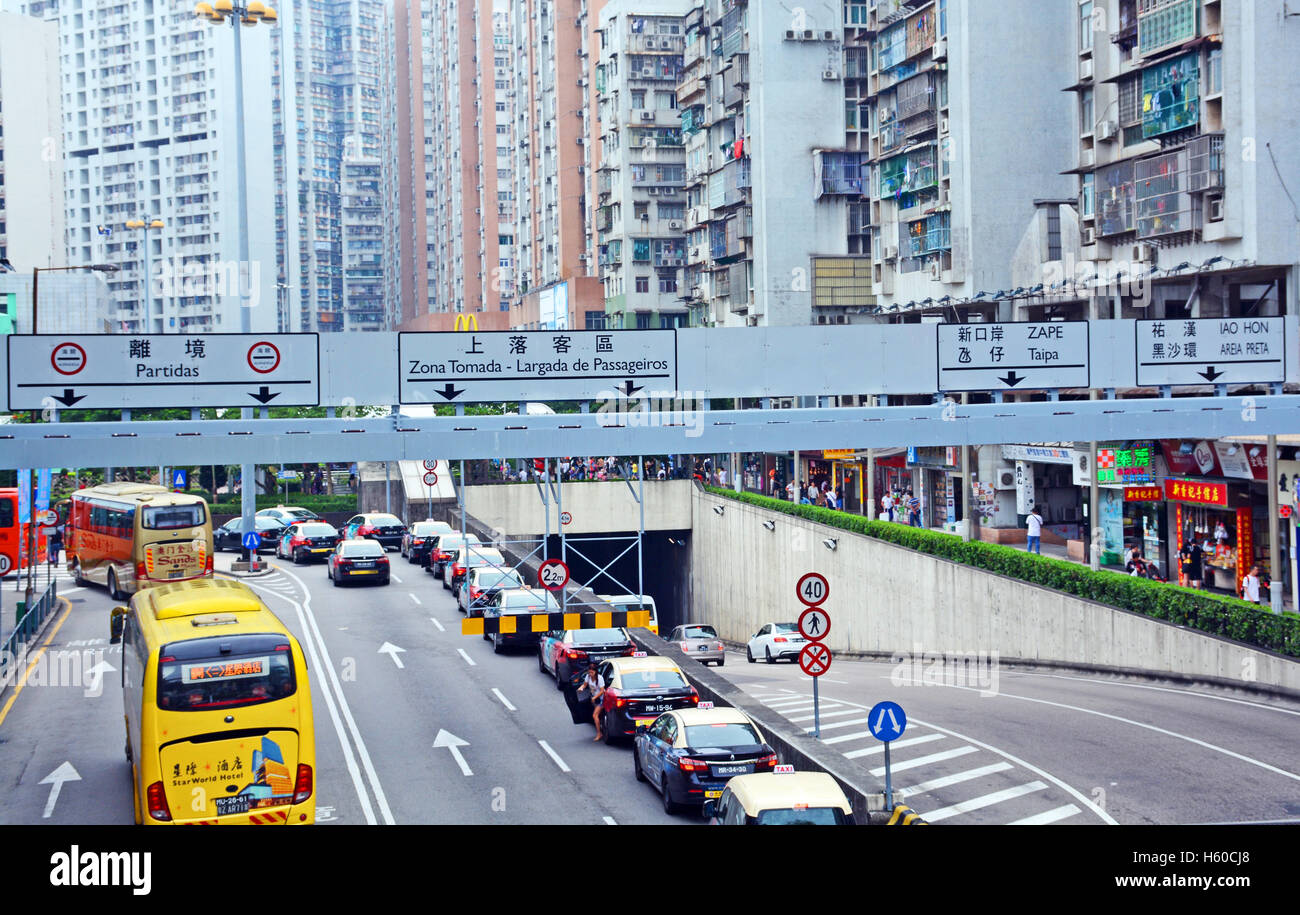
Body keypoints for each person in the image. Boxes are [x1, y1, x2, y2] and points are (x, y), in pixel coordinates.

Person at [576, 663, 606, 741]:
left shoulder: (600, 678)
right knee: (598, 715)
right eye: (589, 672)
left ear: (595, 672)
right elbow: (584, 685)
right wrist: (581, 688)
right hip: (594, 699)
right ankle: (601, 727)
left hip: (601, 699)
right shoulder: (588, 677)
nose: (590, 674)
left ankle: (599, 733)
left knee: (595, 715)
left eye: (592, 672)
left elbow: (602, 691)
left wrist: (595, 697)